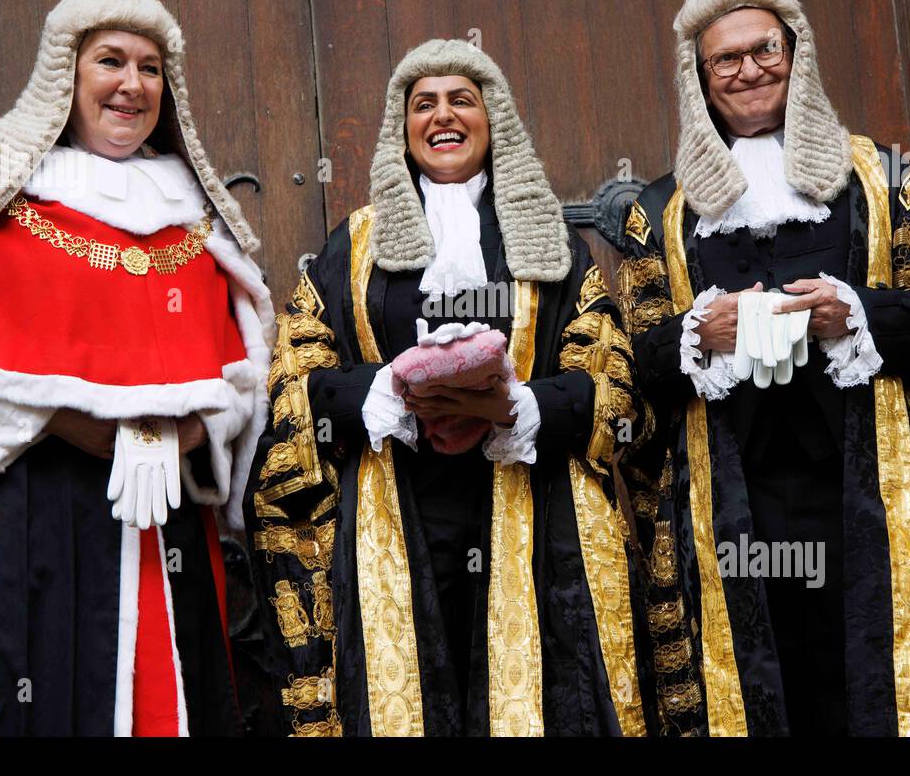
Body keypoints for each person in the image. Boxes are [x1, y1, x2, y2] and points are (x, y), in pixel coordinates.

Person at [0, 0, 275, 736]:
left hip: (159, 518)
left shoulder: (192, 212)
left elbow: (238, 371)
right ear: (66, 76)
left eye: (151, 68)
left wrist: (173, 438)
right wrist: (88, 428)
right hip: (24, 506)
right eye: (110, 61)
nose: (131, 84)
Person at [615, 0, 910, 736]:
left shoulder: (877, 175)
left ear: (794, 53)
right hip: (736, 497)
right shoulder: (661, 211)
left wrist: (855, 312)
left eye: (763, 49)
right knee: (766, 677)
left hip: (864, 482)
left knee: (866, 666)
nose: (747, 70)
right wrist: (699, 333)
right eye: (724, 61)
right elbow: (633, 358)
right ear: (700, 79)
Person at [242, 39, 654, 736]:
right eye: (423, 103)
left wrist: (521, 407)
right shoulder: (356, 244)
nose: (443, 116)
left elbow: (610, 376)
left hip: (528, 506)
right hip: (395, 509)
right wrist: (381, 389)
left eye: (461, 99)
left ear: (492, 118)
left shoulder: (546, 238)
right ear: (401, 128)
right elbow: (297, 371)